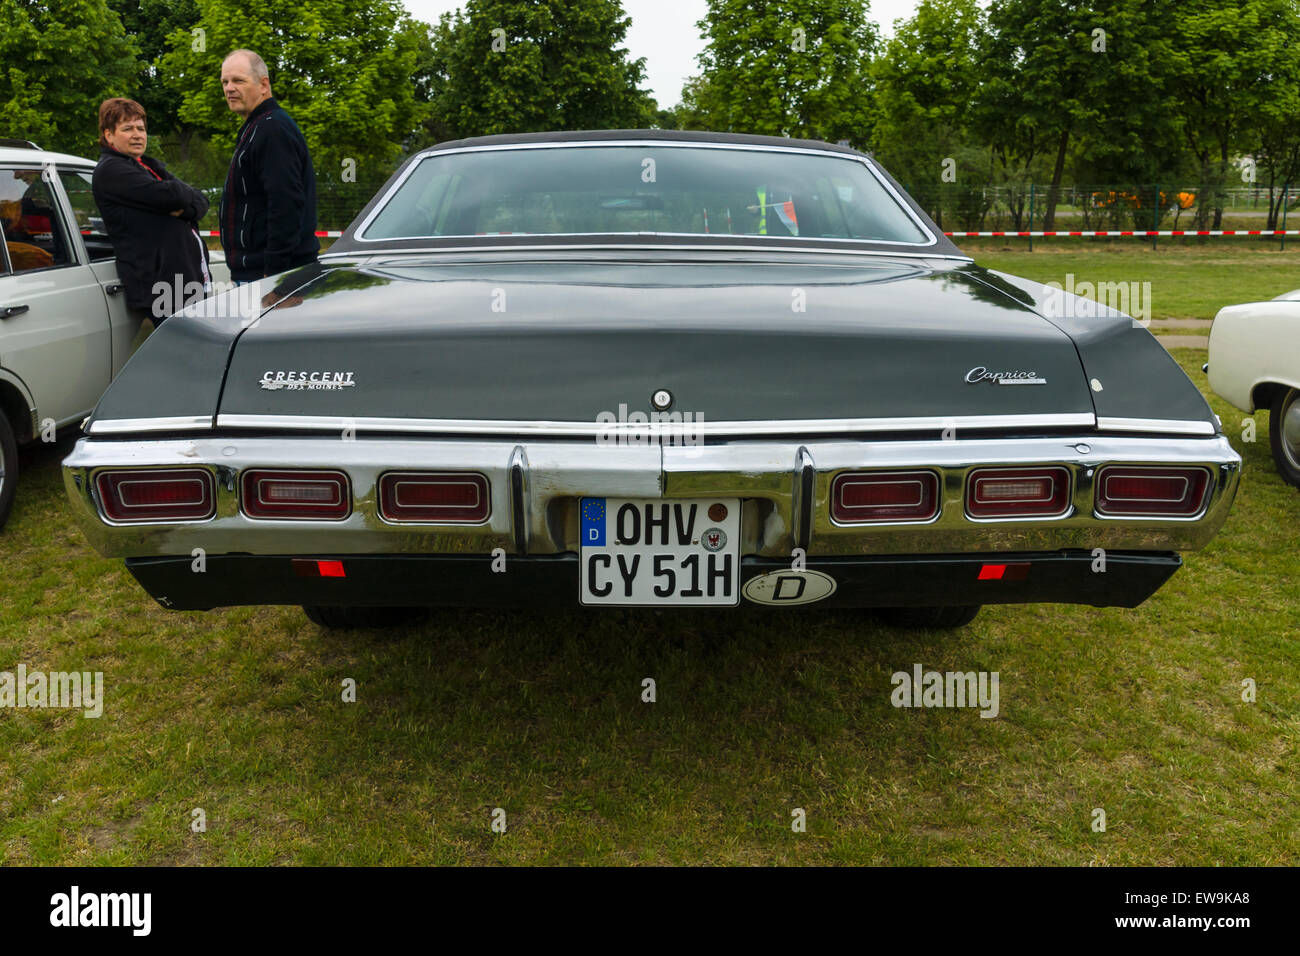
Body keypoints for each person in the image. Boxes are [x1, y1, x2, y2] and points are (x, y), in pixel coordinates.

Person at [90, 97, 212, 322]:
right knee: (183, 353)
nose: (137, 134)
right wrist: (180, 198)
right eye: (127, 128)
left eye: (141, 128)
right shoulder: (112, 170)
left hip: (185, 280)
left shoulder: (147, 165)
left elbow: (202, 200)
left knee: (196, 352)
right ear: (108, 135)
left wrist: (184, 209)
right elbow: (174, 195)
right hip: (162, 285)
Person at [218, 49, 319, 285]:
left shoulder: (272, 129)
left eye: (238, 80)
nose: (229, 88)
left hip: (272, 278)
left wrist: (274, 275)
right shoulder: (257, 127)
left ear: (264, 85)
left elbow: (285, 204)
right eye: (225, 81)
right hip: (259, 274)